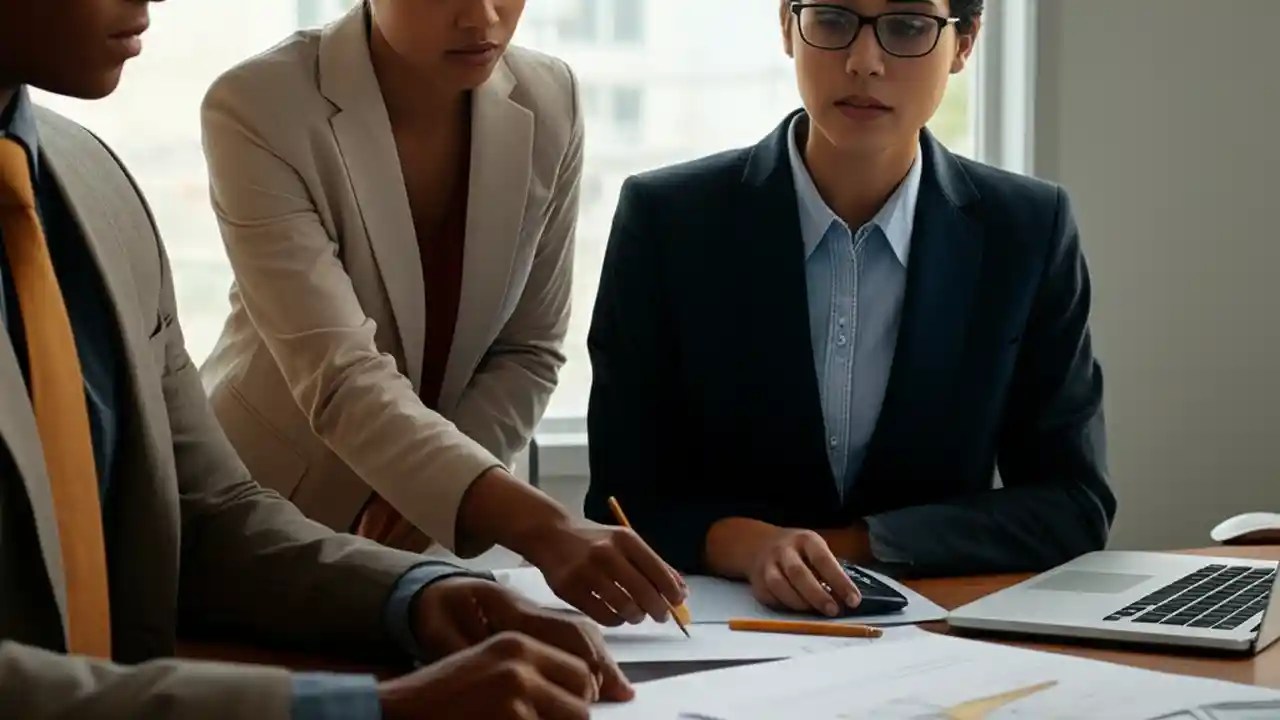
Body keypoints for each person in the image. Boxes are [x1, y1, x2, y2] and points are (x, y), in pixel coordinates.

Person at [0, 1, 636, 718]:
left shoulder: (93, 182)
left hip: (316, 586)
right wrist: (368, 710)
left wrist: (418, 593)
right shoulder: (255, 106)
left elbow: (202, 518)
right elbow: (339, 376)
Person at [585, 0, 1116, 616]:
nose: (864, 62)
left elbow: (1074, 503)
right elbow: (620, 500)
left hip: (937, 637)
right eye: (833, 19)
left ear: (964, 42)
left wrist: (857, 545)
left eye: (909, 27)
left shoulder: (1026, 230)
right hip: (721, 632)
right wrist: (750, 546)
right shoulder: (668, 220)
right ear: (788, 24)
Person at [199, 0, 683, 627]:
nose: (482, 18)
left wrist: (442, 494)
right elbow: (339, 374)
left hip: (428, 539)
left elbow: (528, 349)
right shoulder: (259, 105)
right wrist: (543, 525)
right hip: (260, 514)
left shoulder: (549, 97)